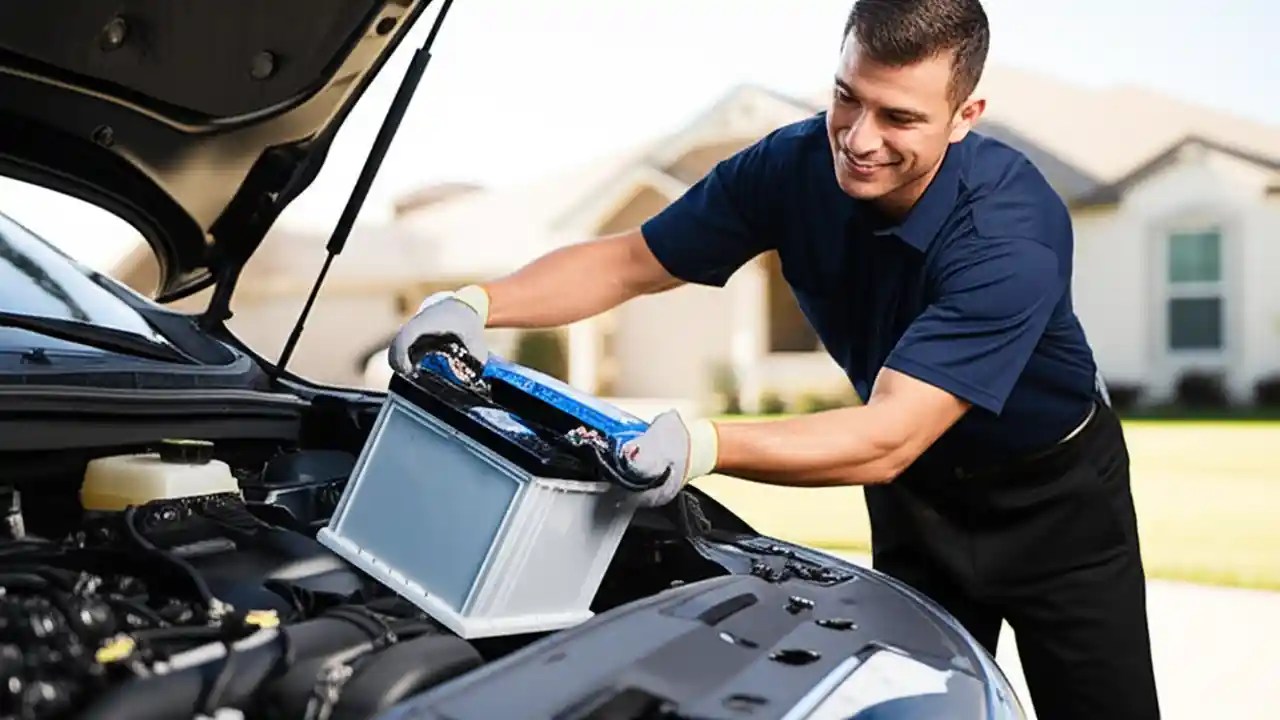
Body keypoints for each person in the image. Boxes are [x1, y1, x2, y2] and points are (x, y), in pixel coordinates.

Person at [388, 0, 1160, 717]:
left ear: (965, 117)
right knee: (906, 707)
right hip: (916, 504)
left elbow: (890, 435)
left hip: (1057, 508)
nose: (859, 137)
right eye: (847, 96)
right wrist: (474, 304)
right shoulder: (789, 169)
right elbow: (630, 261)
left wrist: (705, 443)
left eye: (898, 117)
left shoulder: (1009, 232)